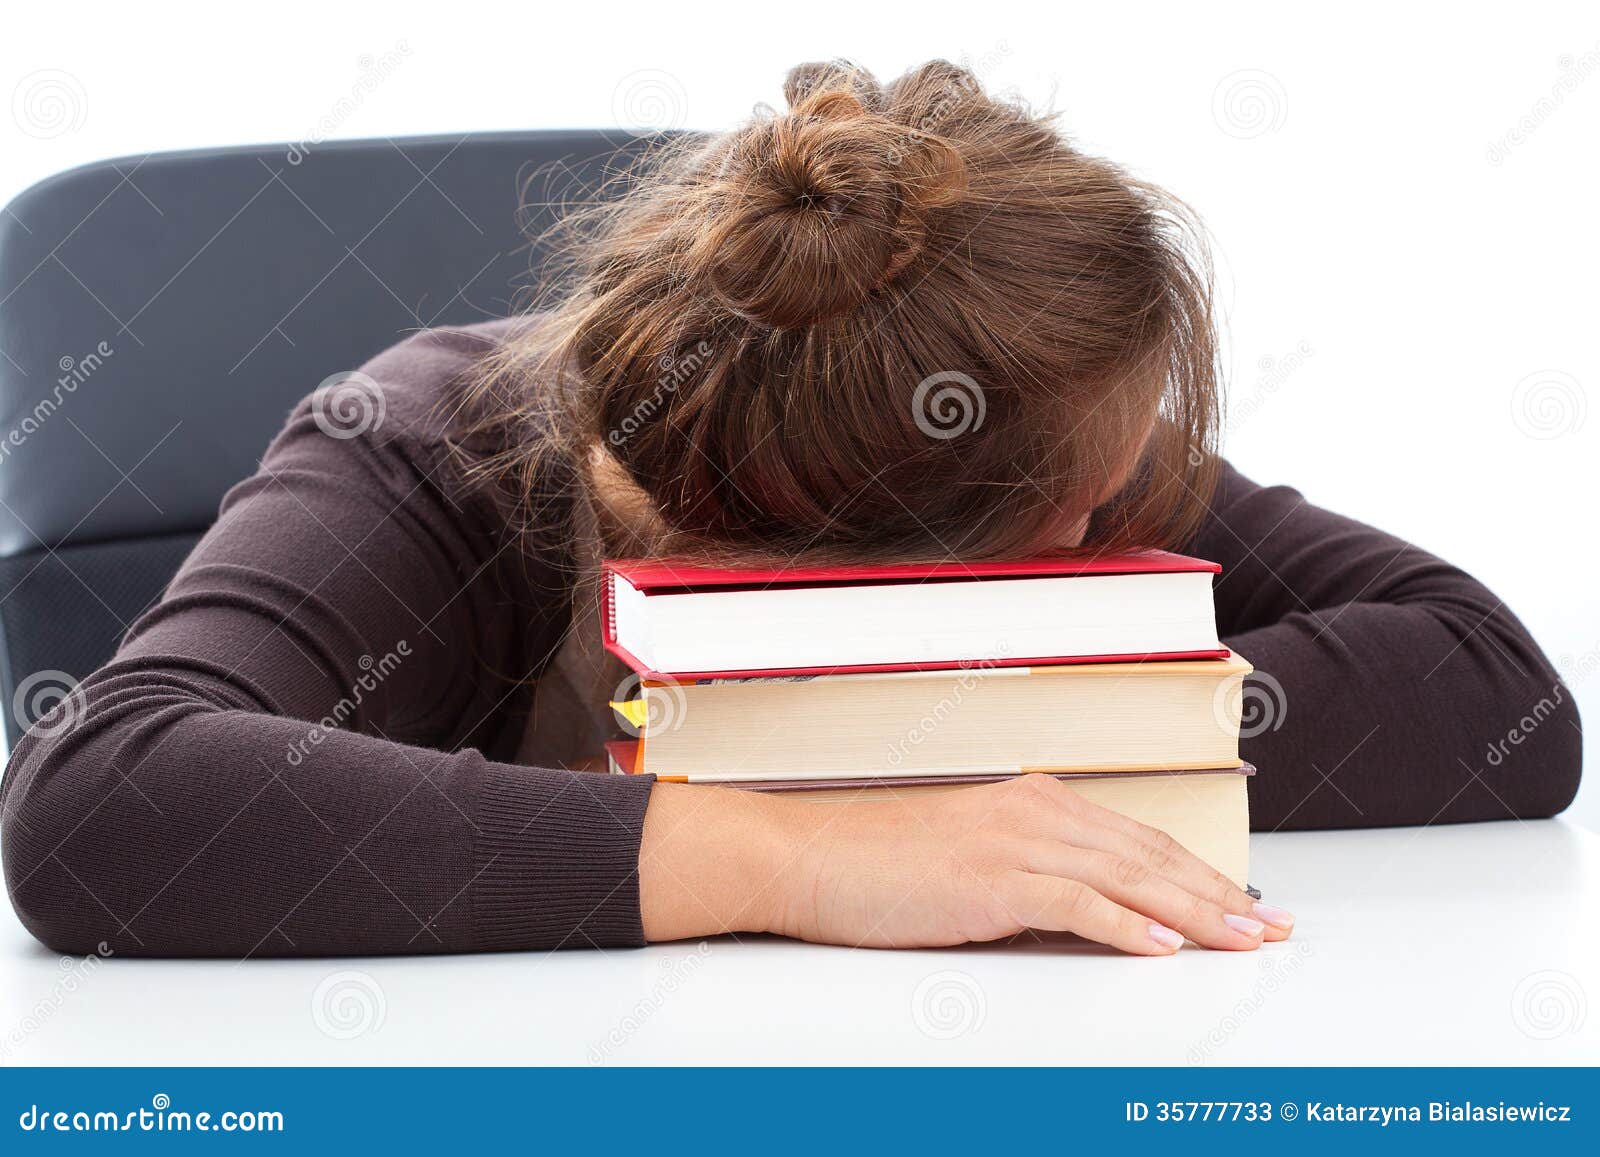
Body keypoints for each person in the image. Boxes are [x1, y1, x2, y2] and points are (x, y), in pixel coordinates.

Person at [0, 61, 1578, 960]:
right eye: (1095, 494)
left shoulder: (1053, 433)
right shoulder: (432, 443)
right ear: (945, 543)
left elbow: (1496, 689)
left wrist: (1029, 751)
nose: (1134, 488)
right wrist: (804, 856)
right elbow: (102, 803)